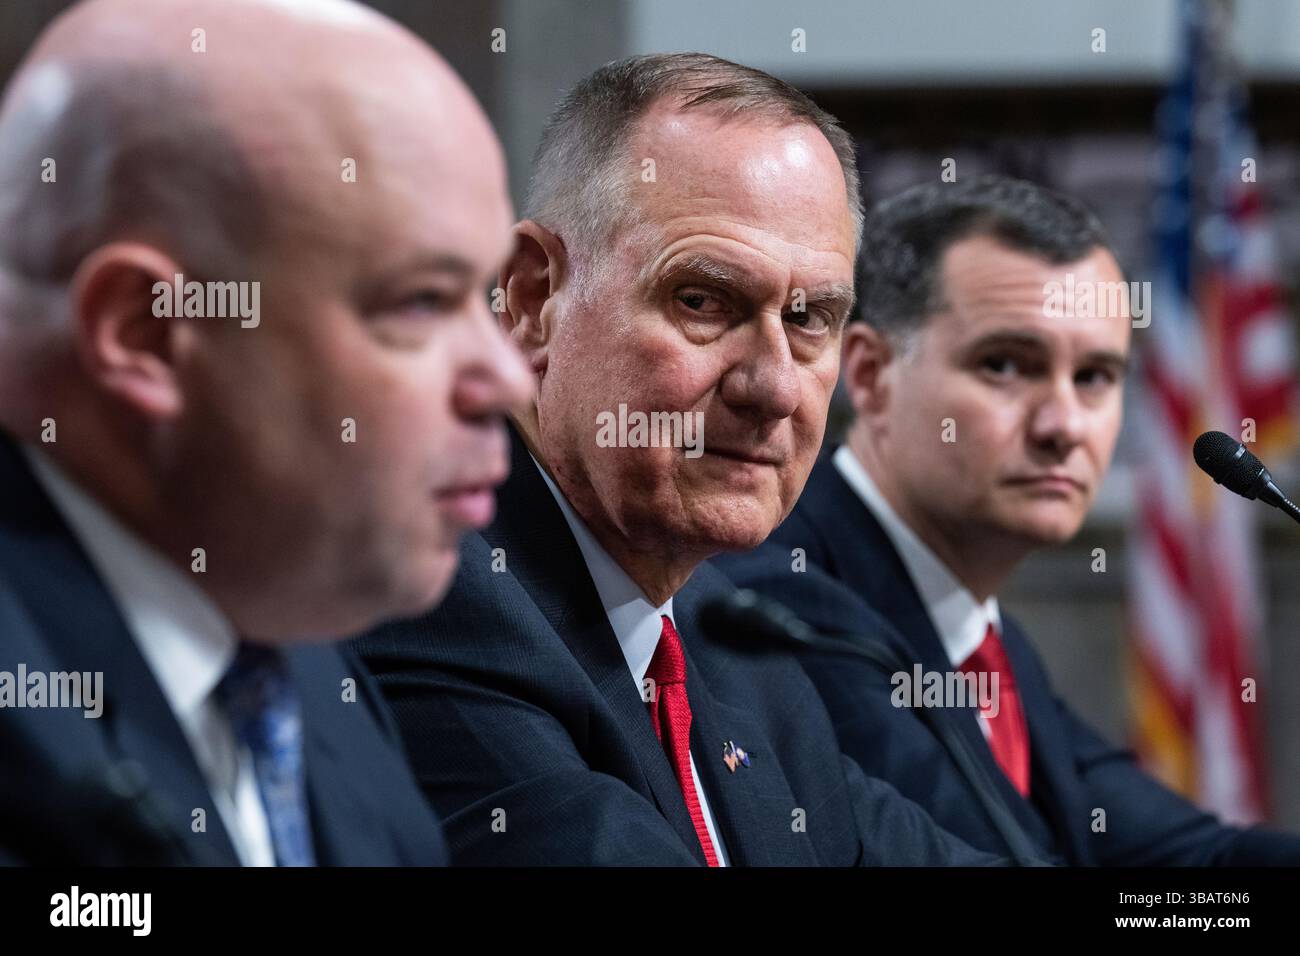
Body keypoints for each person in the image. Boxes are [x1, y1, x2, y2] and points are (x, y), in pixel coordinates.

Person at [355, 54, 1008, 867]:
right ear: (533, 300)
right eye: (703, 301)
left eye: (810, 319)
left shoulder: (737, 647)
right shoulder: (435, 597)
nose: (773, 385)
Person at [0, 0, 532, 865]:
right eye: (423, 301)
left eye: (487, 296)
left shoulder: (298, 654)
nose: (507, 382)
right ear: (147, 331)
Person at [716, 175, 1300, 864]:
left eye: (1095, 377)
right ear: (871, 376)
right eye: (1005, 365)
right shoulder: (779, 599)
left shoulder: (987, 637)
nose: (1063, 426)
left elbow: (1185, 855)